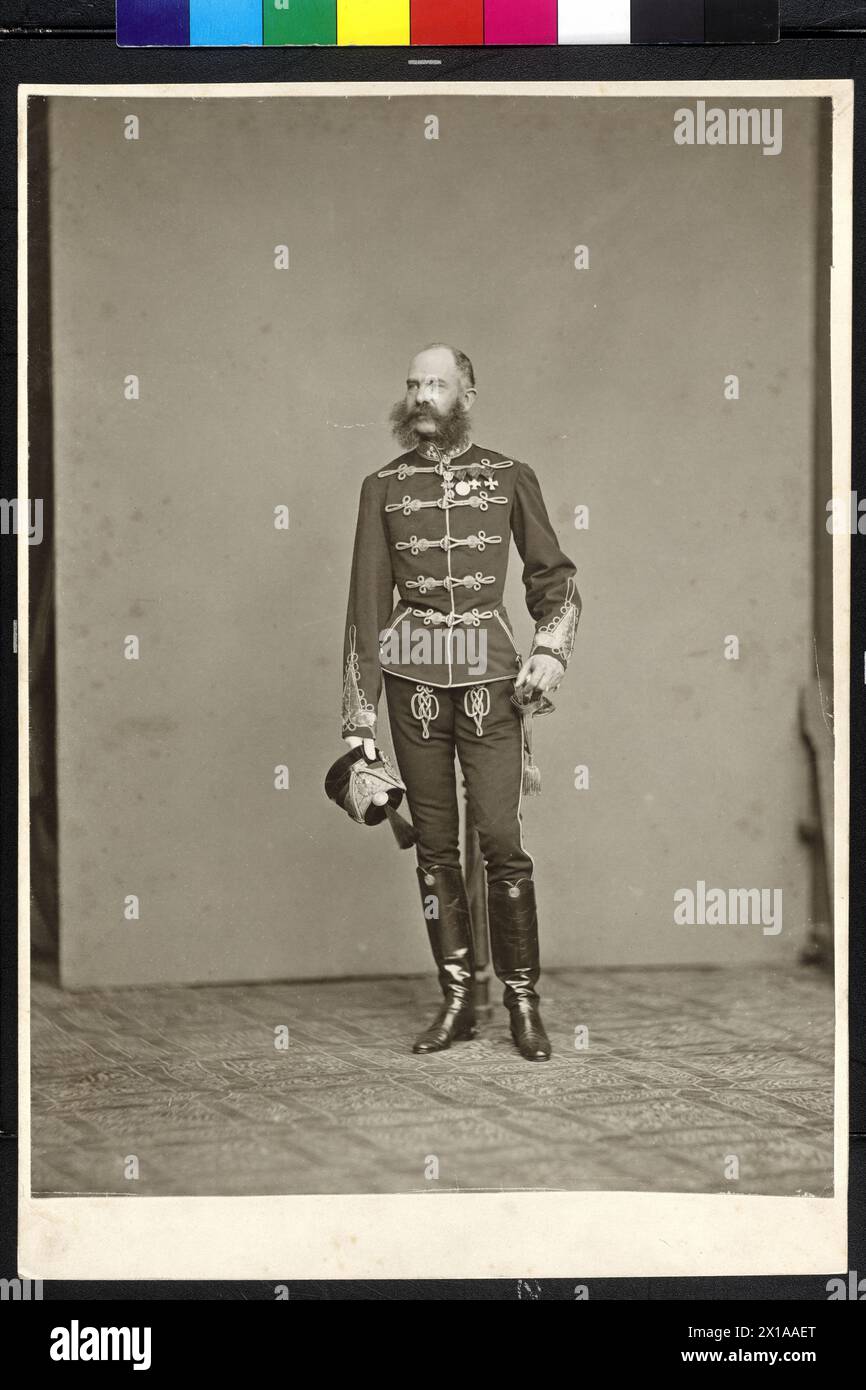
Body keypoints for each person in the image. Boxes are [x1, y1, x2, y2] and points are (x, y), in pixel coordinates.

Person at [341, 344, 580, 1061]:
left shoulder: (510, 477)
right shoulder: (380, 487)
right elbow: (364, 608)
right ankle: (455, 999)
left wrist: (549, 651)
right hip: (413, 686)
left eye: (437, 385)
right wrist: (359, 722)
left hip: (490, 681)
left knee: (502, 843)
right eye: (414, 384)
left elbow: (556, 581)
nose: (422, 396)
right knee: (436, 852)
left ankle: (522, 1001)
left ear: (466, 395)